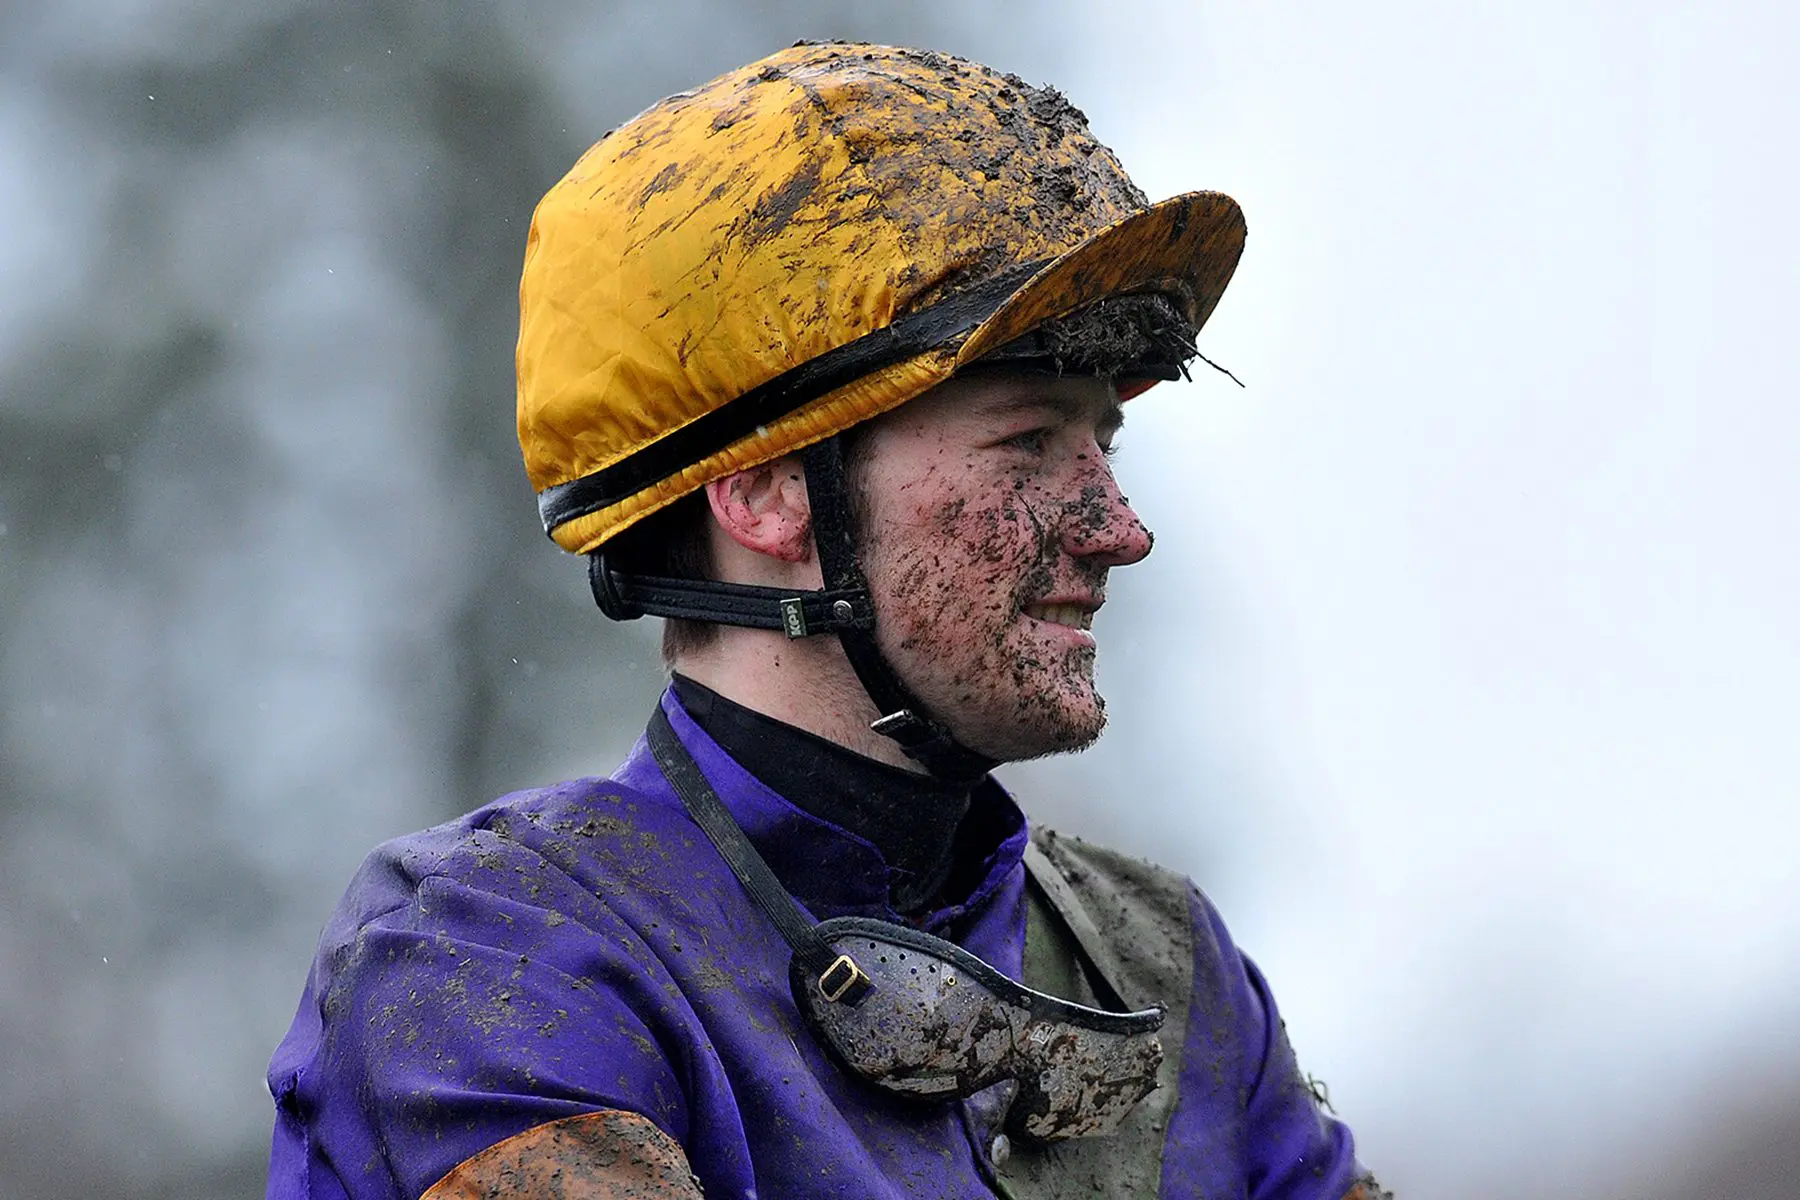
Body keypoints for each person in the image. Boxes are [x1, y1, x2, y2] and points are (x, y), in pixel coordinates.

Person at [265, 41, 1387, 1200]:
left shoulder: (1167, 966)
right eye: (1028, 444)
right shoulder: (494, 969)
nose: (1119, 527)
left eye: (1105, 442)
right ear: (764, 494)